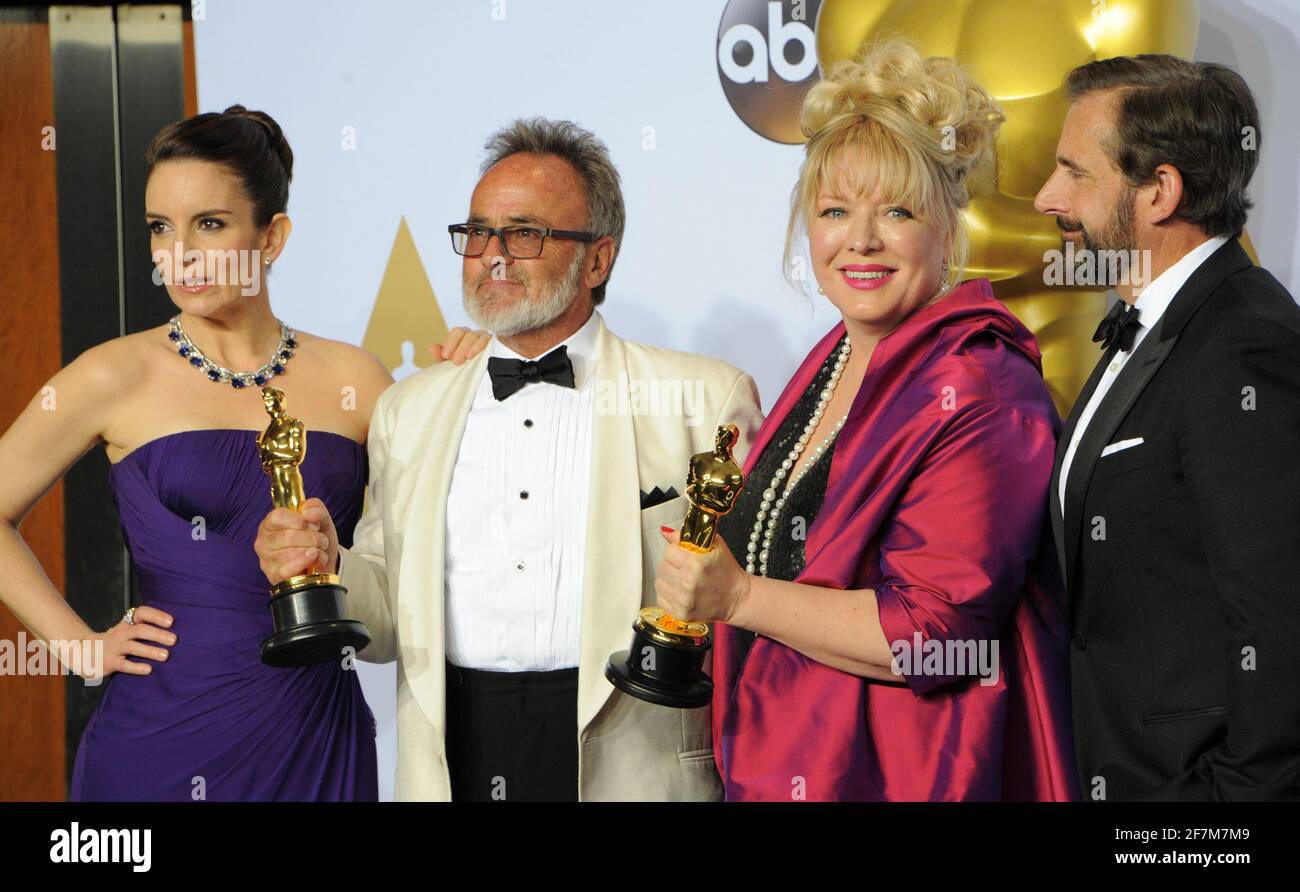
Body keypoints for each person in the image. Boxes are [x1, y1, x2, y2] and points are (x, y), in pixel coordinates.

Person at [256, 117, 764, 801]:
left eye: (524, 234)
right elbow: (380, 630)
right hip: (450, 762)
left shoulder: (705, 398)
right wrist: (328, 568)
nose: (492, 255)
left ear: (597, 259)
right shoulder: (408, 410)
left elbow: (757, 619)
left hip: (631, 762)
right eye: (477, 233)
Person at [0, 105, 482, 801]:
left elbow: (421, 549)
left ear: (273, 236)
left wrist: (473, 376)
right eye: (160, 227)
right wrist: (78, 645)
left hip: (318, 732)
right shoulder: (113, 375)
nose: (180, 254)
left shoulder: (355, 378)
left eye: (211, 224)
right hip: (160, 739)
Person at [653, 39, 1079, 801]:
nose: (862, 240)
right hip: (787, 765)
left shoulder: (981, 384)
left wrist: (740, 599)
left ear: (948, 226)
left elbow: (936, 636)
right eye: (836, 211)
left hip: (907, 777)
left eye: (899, 212)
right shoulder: (836, 355)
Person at [1035, 55, 1300, 801]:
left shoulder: (1245, 341)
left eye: (1075, 174)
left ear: (1159, 191)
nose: (1045, 198)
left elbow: (1280, 621)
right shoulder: (1147, 326)